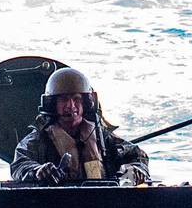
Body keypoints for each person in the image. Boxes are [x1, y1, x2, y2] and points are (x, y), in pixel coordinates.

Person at [10, 67, 150, 186]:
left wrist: (133, 172)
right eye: (64, 99)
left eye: (76, 99)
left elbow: (138, 157)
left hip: (103, 202)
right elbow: (19, 165)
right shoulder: (39, 138)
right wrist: (38, 171)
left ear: (85, 104)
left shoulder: (101, 137)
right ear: (53, 104)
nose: (71, 106)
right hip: (54, 206)